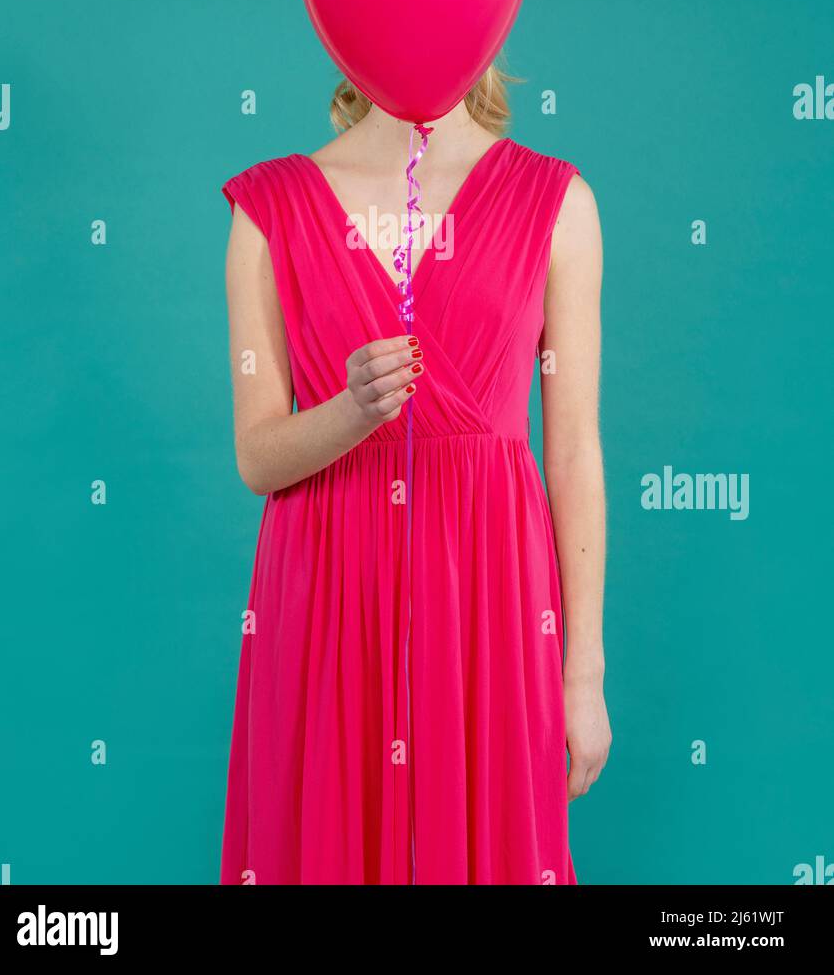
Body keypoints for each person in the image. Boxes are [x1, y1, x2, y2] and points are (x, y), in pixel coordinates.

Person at [218, 63, 610, 885]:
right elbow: (257, 456)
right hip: (328, 599)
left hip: (490, 603)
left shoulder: (557, 203)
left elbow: (571, 450)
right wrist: (350, 410)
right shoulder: (271, 207)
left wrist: (583, 673)